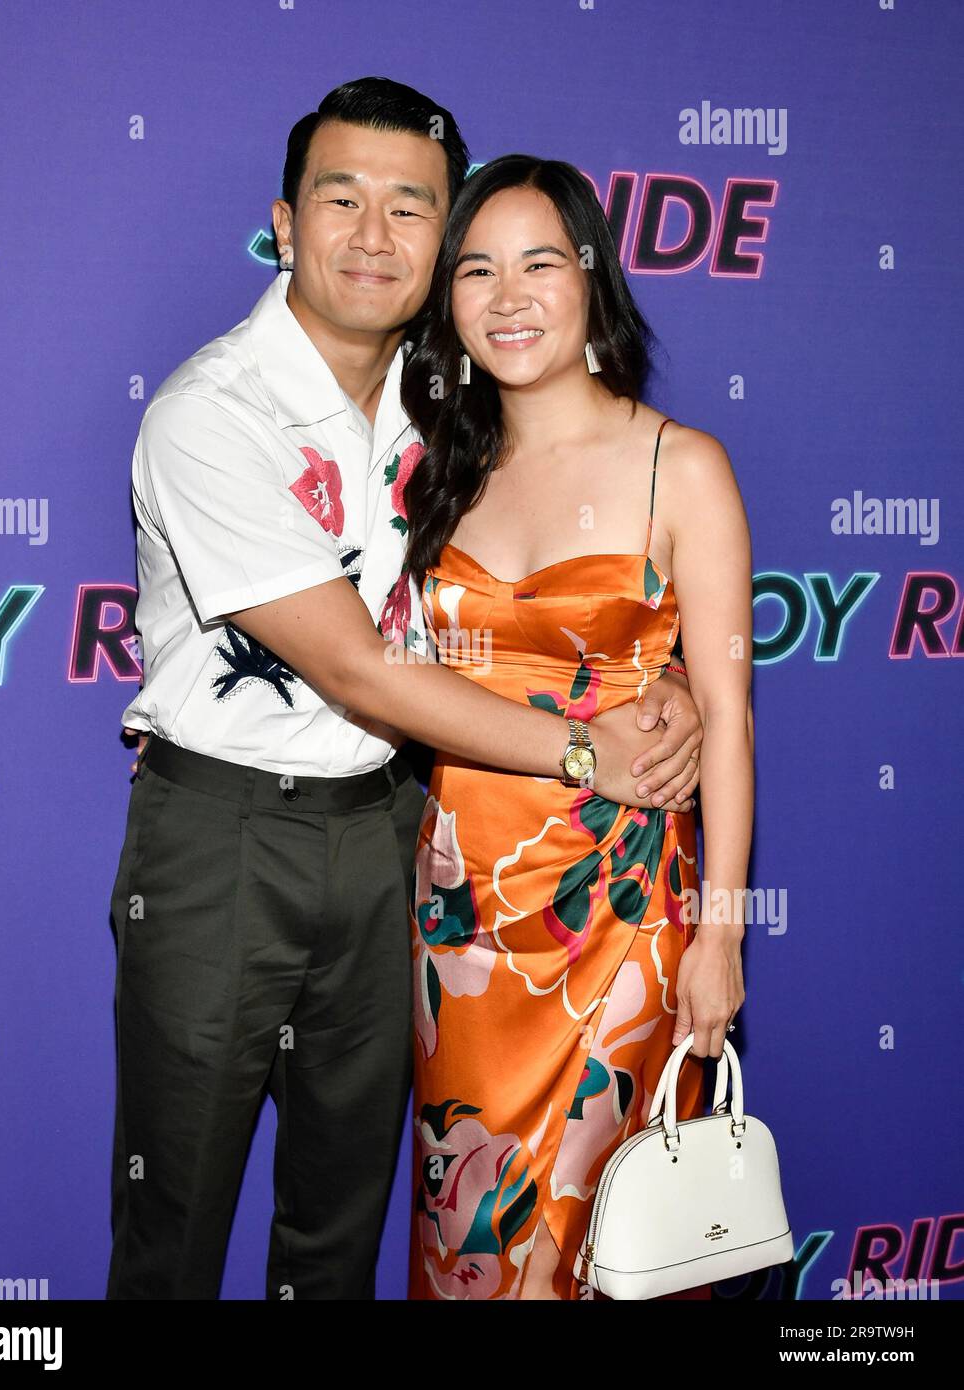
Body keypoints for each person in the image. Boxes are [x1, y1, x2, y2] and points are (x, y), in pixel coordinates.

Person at [108, 79, 705, 1301]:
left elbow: (573, 579)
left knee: (343, 1218)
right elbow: (352, 663)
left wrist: (672, 678)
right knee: (175, 1221)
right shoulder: (208, 414)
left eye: (411, 208)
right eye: (341, 200)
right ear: (285, 223)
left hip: (399, 836)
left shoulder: (453, 408)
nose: (373, 236)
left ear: (444, 243)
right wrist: (589, 750)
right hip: (223, 839)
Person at [400, 155, 752, 1300]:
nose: (507, 297)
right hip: (458, 920)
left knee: (604, 1243)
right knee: (473, 1232)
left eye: (540, 263)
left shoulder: (680, 464)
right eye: (476, 270)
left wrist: (722, 937)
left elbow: (731, 720)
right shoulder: (432, 468)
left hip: (623, 911)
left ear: (594, 276)